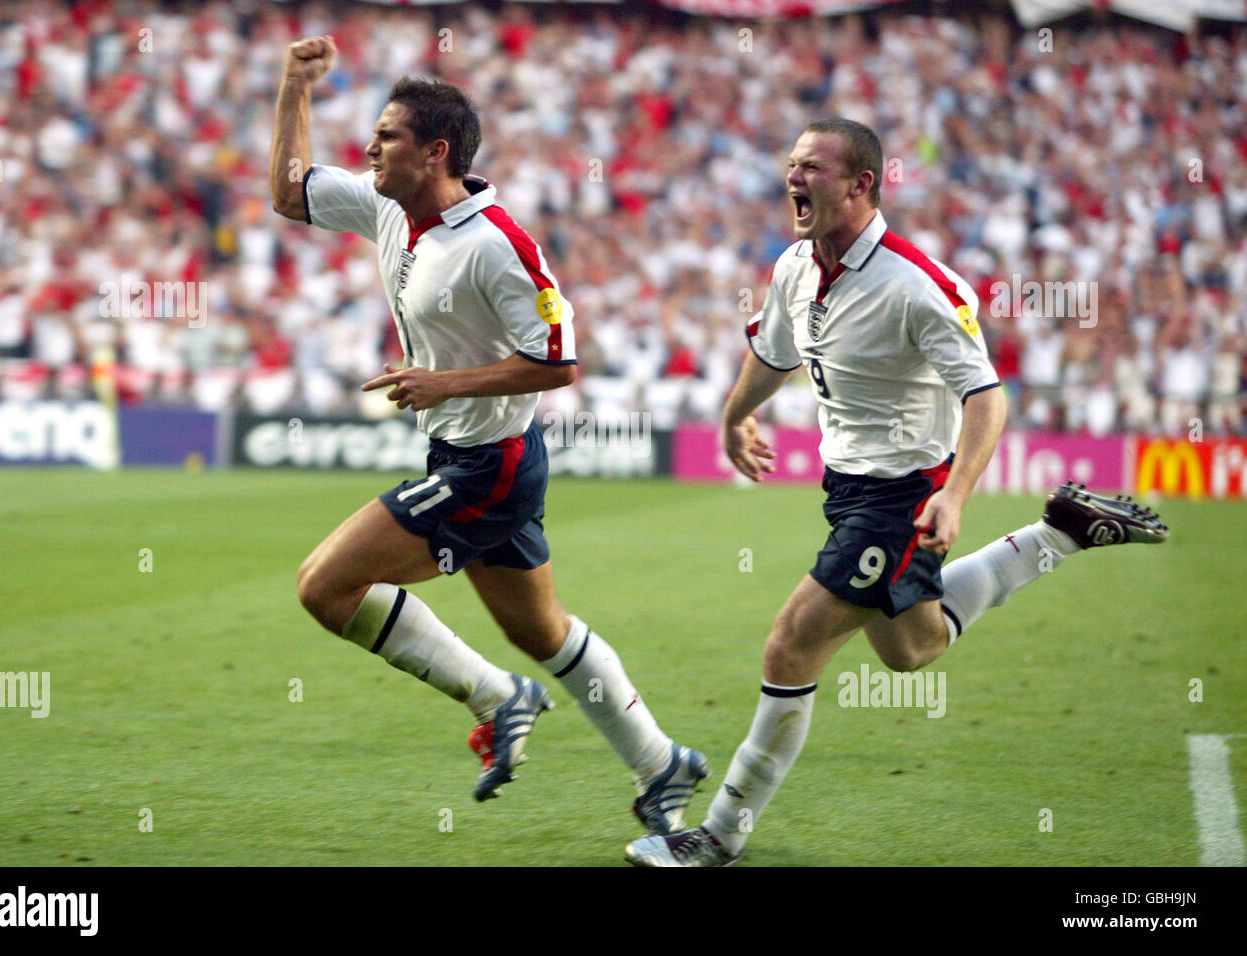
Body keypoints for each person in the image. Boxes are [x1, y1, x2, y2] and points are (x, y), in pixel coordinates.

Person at [625, 119, 1168, 866]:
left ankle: (719, 833)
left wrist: (955, 496)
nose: (793, 176)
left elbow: (986, 396)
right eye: (790, 162)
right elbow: (772, 353)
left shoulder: (917, 284)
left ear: (860, 184)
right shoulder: (794, 267)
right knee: (911, 650)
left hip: (902, 496)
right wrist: (732, 416)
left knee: (791, 643)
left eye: (811, 165)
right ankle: (1059, 533)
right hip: (848, 490)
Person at [270, 36, 707, 833]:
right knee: (543, 630)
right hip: (471, 455)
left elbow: (559, 361)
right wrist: (294, 87)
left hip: (489, 467)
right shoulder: (389, 208)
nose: (370, 147)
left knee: (323, 585)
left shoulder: (498, 245)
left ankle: (497, 696)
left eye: (388, 136)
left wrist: (445, 383)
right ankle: (661, 764)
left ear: (435, 151)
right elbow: (290, 193)